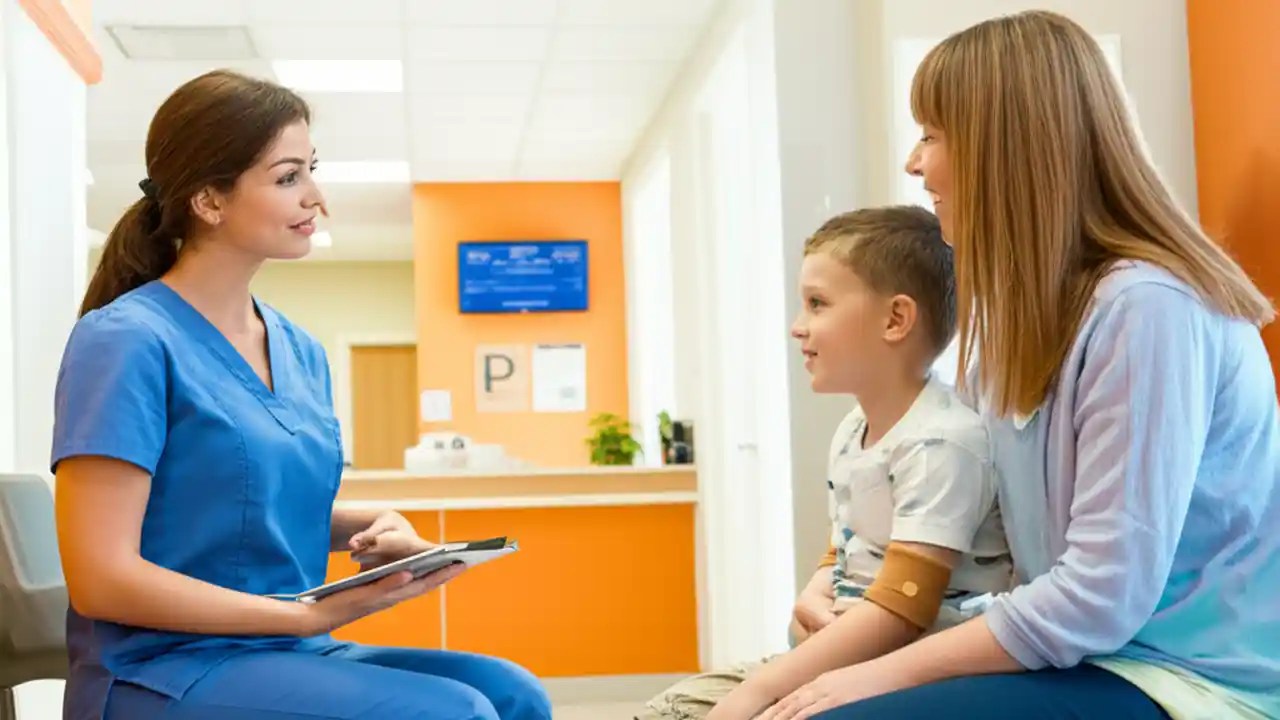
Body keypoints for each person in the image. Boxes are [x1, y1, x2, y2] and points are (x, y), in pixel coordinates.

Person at [754, 11, 1280, 720]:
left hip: (1182, 678)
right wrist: (834, 586)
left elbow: (1098, 597)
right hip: (1079, 656)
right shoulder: (1011, 325)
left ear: (1002, 147)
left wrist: (880, 675)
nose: (916, 163)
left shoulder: (1149, 308)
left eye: (932, 136)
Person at [52, 70, 552, 720]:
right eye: (289, 177)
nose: (317, 197)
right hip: (164, 669)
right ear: (209, 200)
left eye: (311, 170)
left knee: (513, 693)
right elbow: (101, 578)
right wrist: (306, 613)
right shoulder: (126, 341)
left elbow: (241, 503)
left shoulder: (301, 351)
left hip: (283, 650)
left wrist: (367, 526)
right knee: (453, 713)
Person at [639, 206, 1012, 720]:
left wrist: (759, 690)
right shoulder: (852, 430)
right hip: (835, 660)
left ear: (895, 319)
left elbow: (905, 607)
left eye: (818, 304)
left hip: (903, 674)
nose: (798, 328)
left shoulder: (942, 444)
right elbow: (847, 546)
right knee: (668, 711)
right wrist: (816, 590)